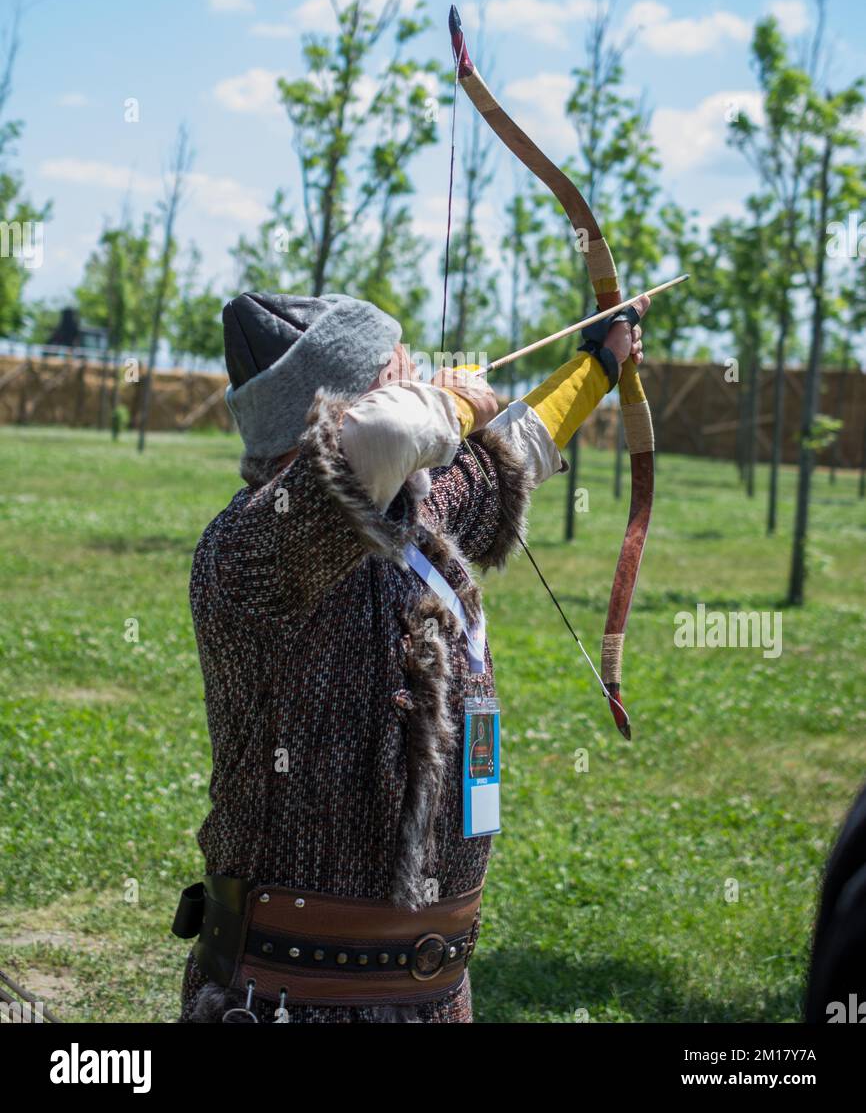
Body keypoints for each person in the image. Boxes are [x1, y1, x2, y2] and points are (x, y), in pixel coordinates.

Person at [173, 289, 648, 1023]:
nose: (423, 368)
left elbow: (516, 451)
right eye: (401, 365)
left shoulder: (410, 514)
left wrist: (602, 362)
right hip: (290, 1002)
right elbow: (388, 434)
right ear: (339, 405)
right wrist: (452, 400)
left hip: (430, 994)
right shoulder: (248, 548)